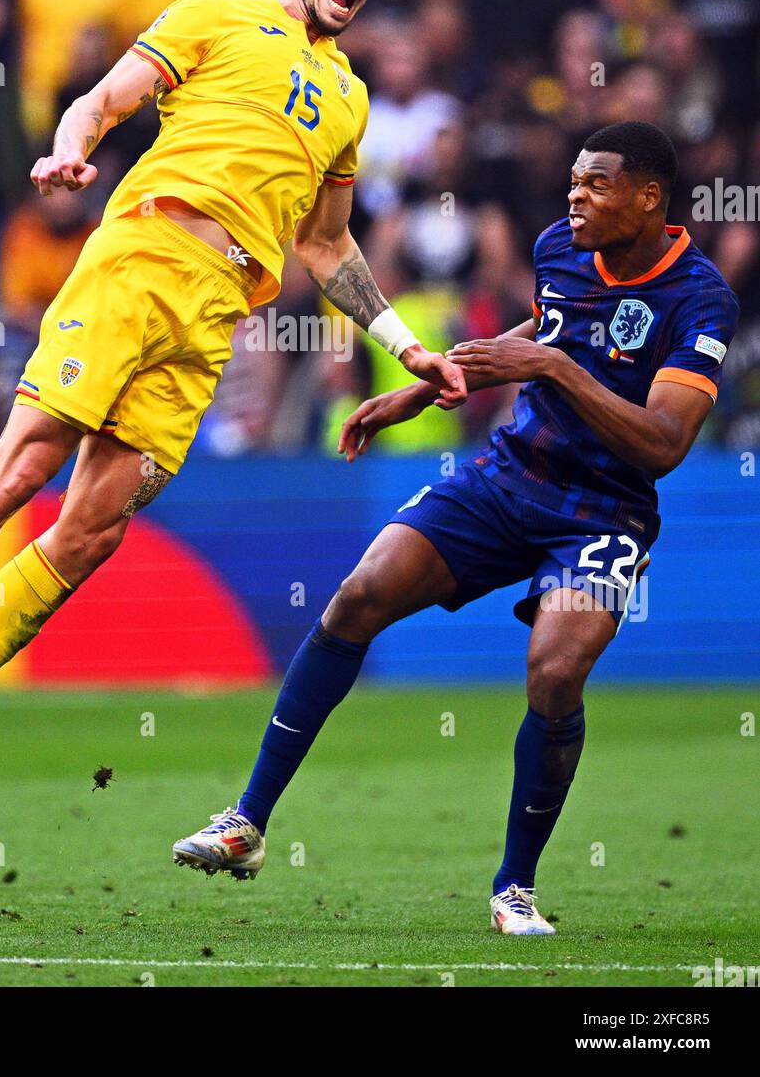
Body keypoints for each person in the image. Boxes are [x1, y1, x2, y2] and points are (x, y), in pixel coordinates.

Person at [0, 0, 464, 823]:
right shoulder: (215, 13)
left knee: (94, 529)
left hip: (215, 315)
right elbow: (101, 101)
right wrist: (67, 152)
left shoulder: (349, 98)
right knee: (21, 466)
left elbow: (327, 247)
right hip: (142, 260)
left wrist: (405, 344)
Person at [173, 120, 739, 936]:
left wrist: (552, 367)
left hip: (602, 511)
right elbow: (539, 331)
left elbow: (661, 444)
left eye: (596, 184)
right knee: (357, 596)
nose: (574, 195)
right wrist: (426, 384)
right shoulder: (557, 247)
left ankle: (513, 888)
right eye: (573, 180)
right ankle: (245, 824)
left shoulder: (697, 297)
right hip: (507, 477)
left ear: (648, 198)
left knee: (552, 674)